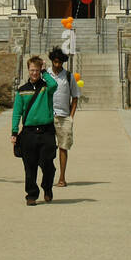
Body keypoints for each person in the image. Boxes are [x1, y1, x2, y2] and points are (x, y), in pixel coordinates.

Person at [11, 56, 58, 205]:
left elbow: (54, 85)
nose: (34, 73)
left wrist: (45, 71)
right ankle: (31, 195)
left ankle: (47, 188)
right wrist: (14, 132)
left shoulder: (46, 87)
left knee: (48, 164)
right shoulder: (22, 91)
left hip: (47, 131)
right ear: (28, 70)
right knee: (29, 166)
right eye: (32, 70)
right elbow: (17, 112)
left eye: (37, 70)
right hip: (29, 133)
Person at [47, 45, 80, 186]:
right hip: (48, 116)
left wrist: (71, 116)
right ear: (51, 61)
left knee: (63, 146)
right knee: (47, 148)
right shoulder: (45, 74)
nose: (57, 65)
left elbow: (75, 97)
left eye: (60, 62)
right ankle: (48, 177)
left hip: (63, 116)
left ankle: (62, 177)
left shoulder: (68, 76)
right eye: (55, 62)